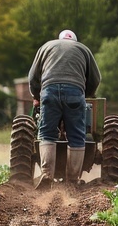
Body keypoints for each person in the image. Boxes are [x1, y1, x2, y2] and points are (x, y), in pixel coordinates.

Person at [28, 29, 101, 188]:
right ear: (74, 41)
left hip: (49, 91)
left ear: (59, 39)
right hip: (75, 92)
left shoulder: (46, 47)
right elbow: (96, 78)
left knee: (47, 133)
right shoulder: (83, 49)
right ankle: (72, 181)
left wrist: (36, 95)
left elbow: (33, 77)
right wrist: (86, 94)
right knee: (77, 136)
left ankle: (47, 175)